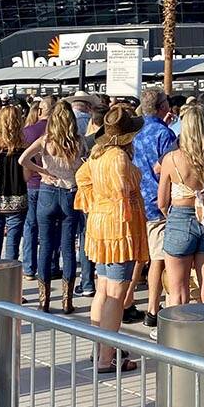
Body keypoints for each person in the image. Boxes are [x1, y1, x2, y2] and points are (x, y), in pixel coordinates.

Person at [74, 105, 149, 372]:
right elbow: (121, 188)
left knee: (103, 290)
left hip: (100, 224)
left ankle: (100, 351)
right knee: (116, 295)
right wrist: (124, 202)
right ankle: (106, 358)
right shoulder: (117, 156)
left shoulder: (97, 154)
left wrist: (96, 201)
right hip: (119, 228)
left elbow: (81, 179)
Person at [158, 106, 204, 305]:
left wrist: (172, 216)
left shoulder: (171, 160)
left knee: (178, 291)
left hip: (179, 220)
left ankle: (180, 335)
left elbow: (162, 202)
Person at [21, 101, 86, 313]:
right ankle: (67, 300)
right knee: (68, 246)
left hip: (48, 190)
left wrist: (42, 170)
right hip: (70, 192)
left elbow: (23, 160)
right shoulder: (78, 142)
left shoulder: (45, 140)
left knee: (46, 246)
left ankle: (44, 300)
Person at [129, 86, 177, 330]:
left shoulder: (134, 131)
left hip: (137, 199)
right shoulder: (165, 135)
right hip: (158, 202)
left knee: (140, 255)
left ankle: (128, 300)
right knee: (157, 259)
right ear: (162, 107)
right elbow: (166, 168)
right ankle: (152, 309)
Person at [0, 106, 31, 261]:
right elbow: (26, 177)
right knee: (13, 244)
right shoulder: (24, 146)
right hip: (16, 198)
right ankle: (10, 279)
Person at [20, 97, 53, 281]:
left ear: (40, 111)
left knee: (31, 226)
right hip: (51, 184)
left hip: (33, 183)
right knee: (51, 228)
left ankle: (29, 267)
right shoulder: (57, 131)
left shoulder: (28, 131)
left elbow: (24, 159)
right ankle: (50, 266)